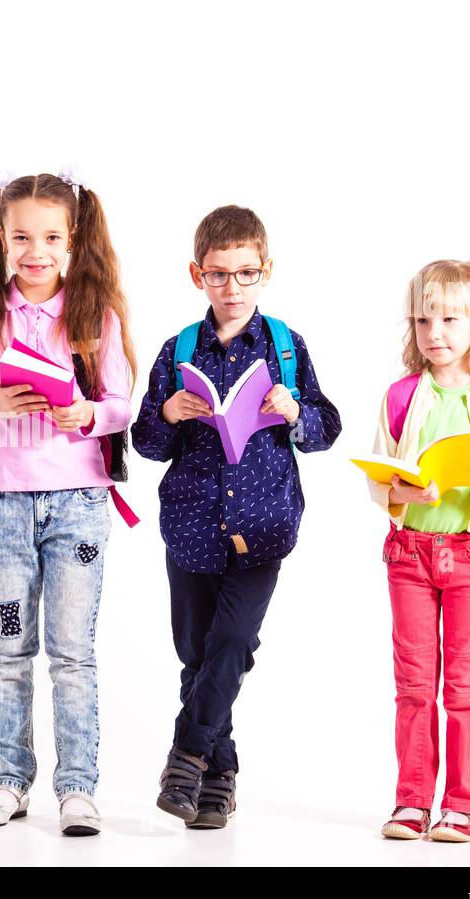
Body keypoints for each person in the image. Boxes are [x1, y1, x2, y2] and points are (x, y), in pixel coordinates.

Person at [132, 205, 341, 828]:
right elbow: (145, 444)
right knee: (195, 653)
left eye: (246, 274)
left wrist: (293, 407)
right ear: (197, 274)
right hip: (192, 524)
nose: (232, 287)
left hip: (264, 525)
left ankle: (187, 754)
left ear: (266, 270)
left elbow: (325, 429)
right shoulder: (179, 348)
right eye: (219, 274)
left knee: (233, 642)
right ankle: (218, 779)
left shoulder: (285, 345)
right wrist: (168, 414)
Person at [0, 172, 136, 836]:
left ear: (72, 239)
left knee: (72, 652)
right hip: (0, 504)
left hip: (79, 500)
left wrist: (85, 411)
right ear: (0, 237)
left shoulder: (94, 316)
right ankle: (8, 779)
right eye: (21, 236)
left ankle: (77, 788)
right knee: (8, 649)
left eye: (51, 237)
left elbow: (120, 405)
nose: (36, 251)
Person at [369, 260, 470, 843]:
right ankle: (411, 802)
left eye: (449, 318)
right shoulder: (402, 395)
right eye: (421, 319)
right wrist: (398, 491)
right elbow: (381, 474)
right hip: (409, 554)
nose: (434, 332)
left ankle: (463, 804)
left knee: (464, 687)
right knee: (413, 685)